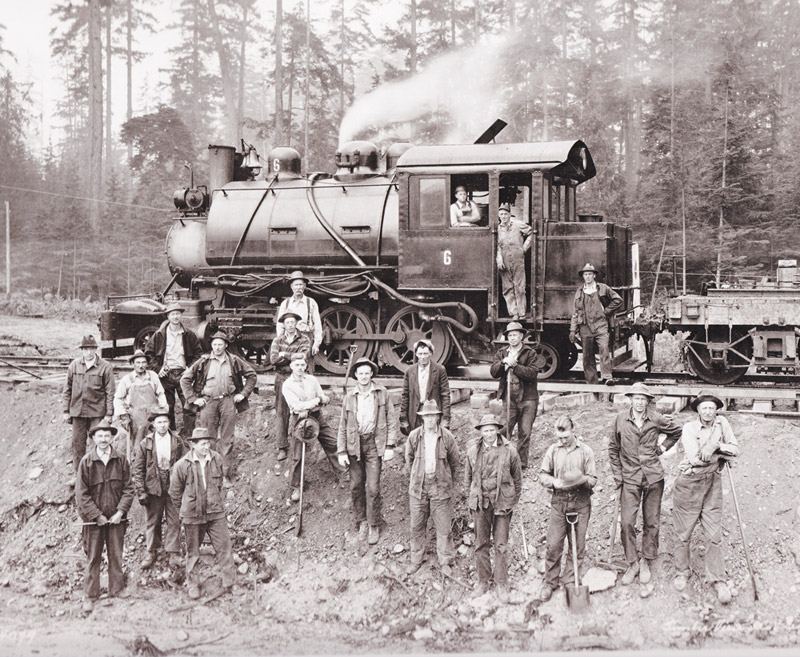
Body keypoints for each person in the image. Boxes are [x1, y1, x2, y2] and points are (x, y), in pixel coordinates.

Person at [608, 382, 682, 587]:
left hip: (653, 477)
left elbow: (677, 431)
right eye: (636, 398)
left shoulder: (656, 418)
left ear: (647, 401)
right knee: (627, 523)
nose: (639, 403)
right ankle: (632, 562)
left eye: (643, 399)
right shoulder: (620, 420)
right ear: (630, 399)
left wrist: (661, 448)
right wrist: (618, 476)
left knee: (652, 521)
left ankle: (646, 560)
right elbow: (613, 449)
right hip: (629, 478)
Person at [672, 391, 739, 603]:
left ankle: (717, 579)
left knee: (714, 535)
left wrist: (717, 445)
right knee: (683, 533)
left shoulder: (723, 424)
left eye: (712, 407)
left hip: (713, 485)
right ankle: (682, 571)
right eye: (704, 408)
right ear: (698, 410)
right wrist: (720, 454)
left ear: (716, 409)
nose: (708, 411)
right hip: (689, 484)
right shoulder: (689, 428)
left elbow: (736, 449)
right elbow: (695, 459)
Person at [179, 331, 257, 480]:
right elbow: (185, 380)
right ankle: (209, 474)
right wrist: (193, 399)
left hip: (228, 401)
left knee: (227, 439)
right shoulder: (204, 361)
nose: (217, 347)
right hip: (208, 402)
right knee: (208, 438)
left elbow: (252, 375)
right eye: (214, 344)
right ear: (211, 345)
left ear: (226, 345)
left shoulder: (234, 360)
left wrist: (243, 394)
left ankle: (225, 474)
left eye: (220, 344)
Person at [169, 427, 236, 600]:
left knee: (224, 548)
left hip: (215, 514)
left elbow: (220, 484)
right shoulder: (182, 466)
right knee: (193, 553)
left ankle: (229, 583)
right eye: (203, 443)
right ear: (193, 445)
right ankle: (193, 585)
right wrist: (187, 509)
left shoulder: (217, 459)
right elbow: (175, 493)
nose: (207, 446)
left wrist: (216, 501)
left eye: (208, 443)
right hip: (192, 517)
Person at [337, 357, 398, 546]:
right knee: (356, 486)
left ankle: (373, 524)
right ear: (356, 375)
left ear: (372, 374)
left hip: (374, 444)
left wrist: (389, 446)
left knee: (373, 487)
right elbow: (342, 425)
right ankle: (361, 521)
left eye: (367, 372)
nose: (363, 376)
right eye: (360, 373)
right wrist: (341, 451)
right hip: (354, 445)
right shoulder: (349, 397)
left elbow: (391, 420)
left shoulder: (381, 393)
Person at [75, 419, 134, 613]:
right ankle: (90, 595)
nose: (103, 439)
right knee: (93, 557)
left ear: (112, 438)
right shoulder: (87, 462)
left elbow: (128, 488)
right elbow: (81, 494)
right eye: (99, 435)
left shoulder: (121, 459)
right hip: (93, 521)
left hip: (116, 519)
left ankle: (116, 589)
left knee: (116, 554)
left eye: (107, 435)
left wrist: (120, 512)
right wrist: (97, 515)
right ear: (92, 438)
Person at [537, 415, 597, 601]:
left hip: (580, 502)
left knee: (577, 546)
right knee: (554, 544)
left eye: (565, 437)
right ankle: (550, 582)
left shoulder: (586, 451)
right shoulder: (553, 450)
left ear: (573, 431)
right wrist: (555, 482)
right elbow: (542, 475)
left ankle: (570, 581)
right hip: (559, 502)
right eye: (559, 438)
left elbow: (593, 479)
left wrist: (581, 480)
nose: (562, 441)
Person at [464, 414, 522, 602]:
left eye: (492, 430)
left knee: (501, 545)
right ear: (480, 431)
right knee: (481, 543)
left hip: (502, 505)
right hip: (481, 504)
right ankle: (483, 581)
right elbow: (468, 479)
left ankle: (501, 583)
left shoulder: (510, 451)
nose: (489, 434)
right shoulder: (473, 451)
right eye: (485, 430)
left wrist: (510, 500)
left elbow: (517, 479)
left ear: (498, 430)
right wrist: (473, 498)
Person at [404, 400, 461, 576]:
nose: (430, 420)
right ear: (422, 418)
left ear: (438, 417)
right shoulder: (414, 436)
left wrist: (447, 482)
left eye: (433, 416)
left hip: (440, 488)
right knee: (417, 526)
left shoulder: (447, 437)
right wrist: (418, 477)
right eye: (426, 416)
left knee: (443, 527)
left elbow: (455, 462)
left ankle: (445, 560)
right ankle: (416, 559)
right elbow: (409, 459)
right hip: (418, 488)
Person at [281, 352, 344, 501]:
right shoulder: (287, 385)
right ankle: (296, 486)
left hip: (316, 416)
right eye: (297, 365)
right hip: (299, 420)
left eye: (303, 364)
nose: (300, 368)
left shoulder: (312, 380)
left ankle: (343, 473)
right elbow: (296, 406)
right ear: (291, 366)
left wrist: (322, 399)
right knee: (297, 455)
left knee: (333, 442)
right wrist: (315, 401)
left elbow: (321, 397)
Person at [132, 406, 185, 570]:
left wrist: (183, 488)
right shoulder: (145, 443)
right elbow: (138, 469)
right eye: (159, 422)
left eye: (165, 421)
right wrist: (141, 491)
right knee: (152, 522)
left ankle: (174, 552)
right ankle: (151, 551)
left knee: (174, 520)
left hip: (172, 486)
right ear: (153, 425)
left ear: (169, 423)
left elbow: (184, 465)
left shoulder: (177, 441)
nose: (162, 425)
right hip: (153, 486)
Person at [145, 302, 204, 437]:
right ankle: (170, 434)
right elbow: (149, 354)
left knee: (189, 405)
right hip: (166, 375)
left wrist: (190, 368)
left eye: (178, 313)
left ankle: (188, 435)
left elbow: (198, 354)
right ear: (168, 316)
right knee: (167, 406)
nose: (175, 317)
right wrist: (158, 369)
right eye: (172, 314)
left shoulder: (189, 334)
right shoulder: (159, 334)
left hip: (184, 374)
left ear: (181, 315)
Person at [489, 322, 539, 469]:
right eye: (509, 335)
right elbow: (493, 372)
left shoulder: (530, 353)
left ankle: (520, 464)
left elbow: (532, 373)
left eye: (515, 335)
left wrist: (515, 366)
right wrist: (503, 362)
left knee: (525, 432)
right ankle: (502, 460)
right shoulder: (502, 353)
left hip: (528, 399)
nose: (512, 338)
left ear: (521, 336)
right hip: (509, 399)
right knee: (504, 429)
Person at [64, 335, 116, 471]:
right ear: (81, 350)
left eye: (91, 349)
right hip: (78, 412)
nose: (88, 352)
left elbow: (110, 392)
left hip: (97, 412)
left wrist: (109, 413)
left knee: (98, 443)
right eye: (86, 349)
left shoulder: (105, 367)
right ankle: (79, 475)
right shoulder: (74, 365)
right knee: (77, 444)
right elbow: (67, 389)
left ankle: (96, 475)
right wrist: (65, 411)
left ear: (95, 350)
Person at [569, 263, 623, 385]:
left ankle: (607, 377)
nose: (587, 277)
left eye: (590, 274)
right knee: (587, 356)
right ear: (583, 276)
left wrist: (607, 311)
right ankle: (592, 382)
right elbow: (575, 313)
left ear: (594, 276)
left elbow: (618, 300)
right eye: (585, 274)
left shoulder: (603, 288)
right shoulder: (579, 292)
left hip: (601, 325)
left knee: (604, 349)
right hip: (585, 327)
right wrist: (573, 330)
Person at [269, 312, 312, 462]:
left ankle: (298, 443)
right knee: (282, 412)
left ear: (296, 324)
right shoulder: (277, 340)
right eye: (287, 323)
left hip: (299, 379)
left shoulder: (304, 339)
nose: (290, 325)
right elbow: (273, 359)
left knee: (300, 410)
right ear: (284, 325)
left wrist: (284, 354)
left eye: (292, 322)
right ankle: (282, 447)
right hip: (282, 378)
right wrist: (293, 356)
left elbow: (304, 357)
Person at [113, 349, 168, 458]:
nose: (141, 365)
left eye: (143, 362)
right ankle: (137, 468)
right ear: (133, 364)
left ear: (147, 364)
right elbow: (118, 399)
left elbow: (161, 394)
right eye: (138, 362)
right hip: (137, 420)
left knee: (157, 443)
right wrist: (123, 416)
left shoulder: (152, 376)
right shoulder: (127, 379)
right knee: (138, 446)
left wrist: (163, 410)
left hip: (154, 416)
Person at [399, 339, 451, 436]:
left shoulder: (439, 370)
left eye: (425, 354)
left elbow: (445, 395)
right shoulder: (410, 371)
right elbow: (405, 396)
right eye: (420, 354)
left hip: (432, 415)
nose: (423, 357)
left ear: (430, 353)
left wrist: (445, 419)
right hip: (414, 415)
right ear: (416, 354)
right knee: (416, 445)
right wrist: (404, 419)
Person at [275, 271, 323, 362]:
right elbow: (280, 325)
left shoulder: (311, 302)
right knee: (289, 367)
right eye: (296, 285)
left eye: (300, 285)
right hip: (290, 340)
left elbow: (317, 325)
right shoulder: (285, 304)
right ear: (291, 286)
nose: (298, 288)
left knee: (306, 367)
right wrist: (281, 342)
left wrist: (316, 344)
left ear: (304, 286)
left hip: (307, 338)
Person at [496, 203, 532, 320]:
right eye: (501, 214)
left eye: (505, 214)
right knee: (507, 287)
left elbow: (531, 232)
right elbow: (497, 245)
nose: (503, 216)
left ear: (509, 215)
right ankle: (513, 313)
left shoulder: (517, 224)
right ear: (498, 215)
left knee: (520, 286)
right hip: (504, 259)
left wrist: (524, 248)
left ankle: (522, 313)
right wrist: (499, 258)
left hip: (517, 259)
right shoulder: (498, 229)